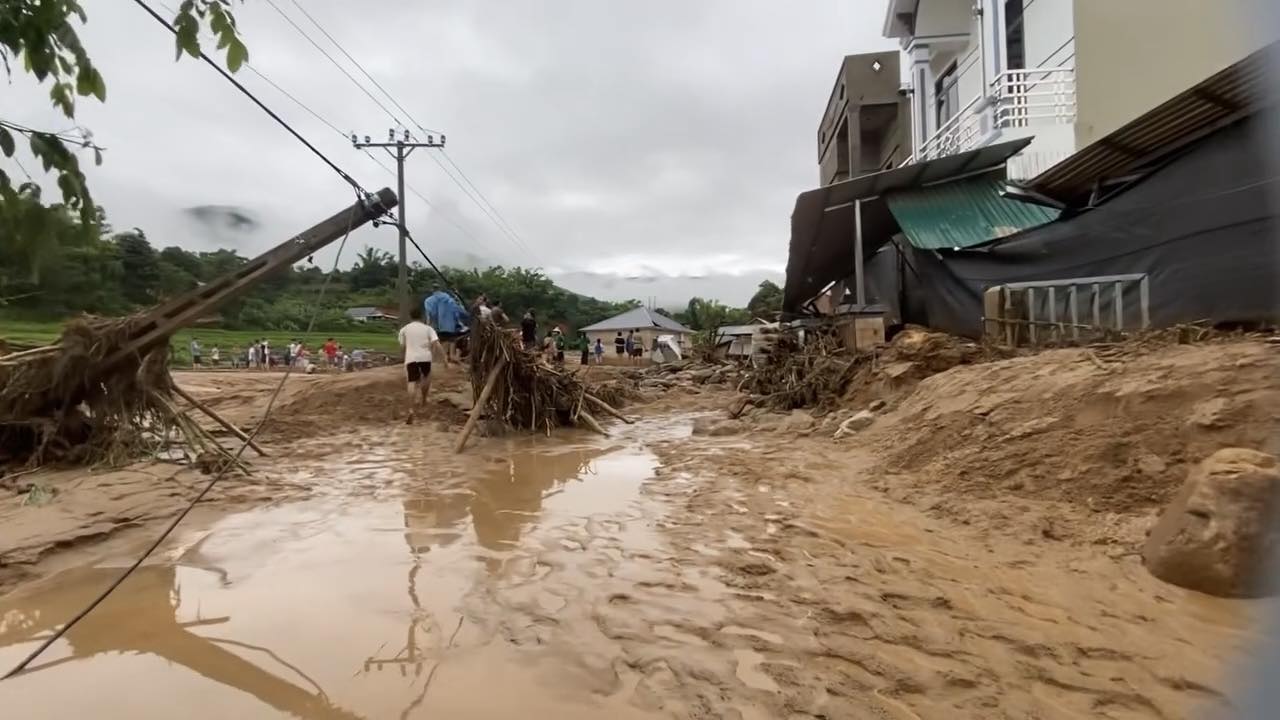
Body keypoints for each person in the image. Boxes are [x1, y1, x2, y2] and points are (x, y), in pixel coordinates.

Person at [398, 307, 443, 425]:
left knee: (411, 382)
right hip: (425, 357)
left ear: (410, 316)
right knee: (426, 378)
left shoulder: (404, 329)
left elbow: (402, 346)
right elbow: (436, 343)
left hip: (411, 358)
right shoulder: (428, 329)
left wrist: (403, 358)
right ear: (422, 316)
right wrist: (445, 359)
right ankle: (423, 399)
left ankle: (411, 409)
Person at [423, 288, 470, 365]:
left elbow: (429, 316)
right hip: (450, 328)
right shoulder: (450, 300)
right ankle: (451, 358)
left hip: (436, 328)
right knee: (451, 342)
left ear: (432, 291)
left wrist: (428, 328)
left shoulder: (428, 301)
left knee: (437, 346)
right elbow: (458, 312)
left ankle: (438, 361)